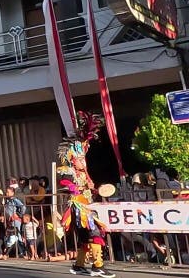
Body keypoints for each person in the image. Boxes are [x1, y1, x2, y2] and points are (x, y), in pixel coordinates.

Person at [59, 111, 115, 278]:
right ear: (73, 157)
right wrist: (79, 189)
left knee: (86, 238)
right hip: (79, 207)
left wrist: (92, 189)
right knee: (95, 234)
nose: (83, 158)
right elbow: (66, 185)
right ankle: (98, 266)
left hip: (85, 204)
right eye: (80, 156)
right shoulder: (68, 170)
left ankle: (79, 265)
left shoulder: (83, 173)